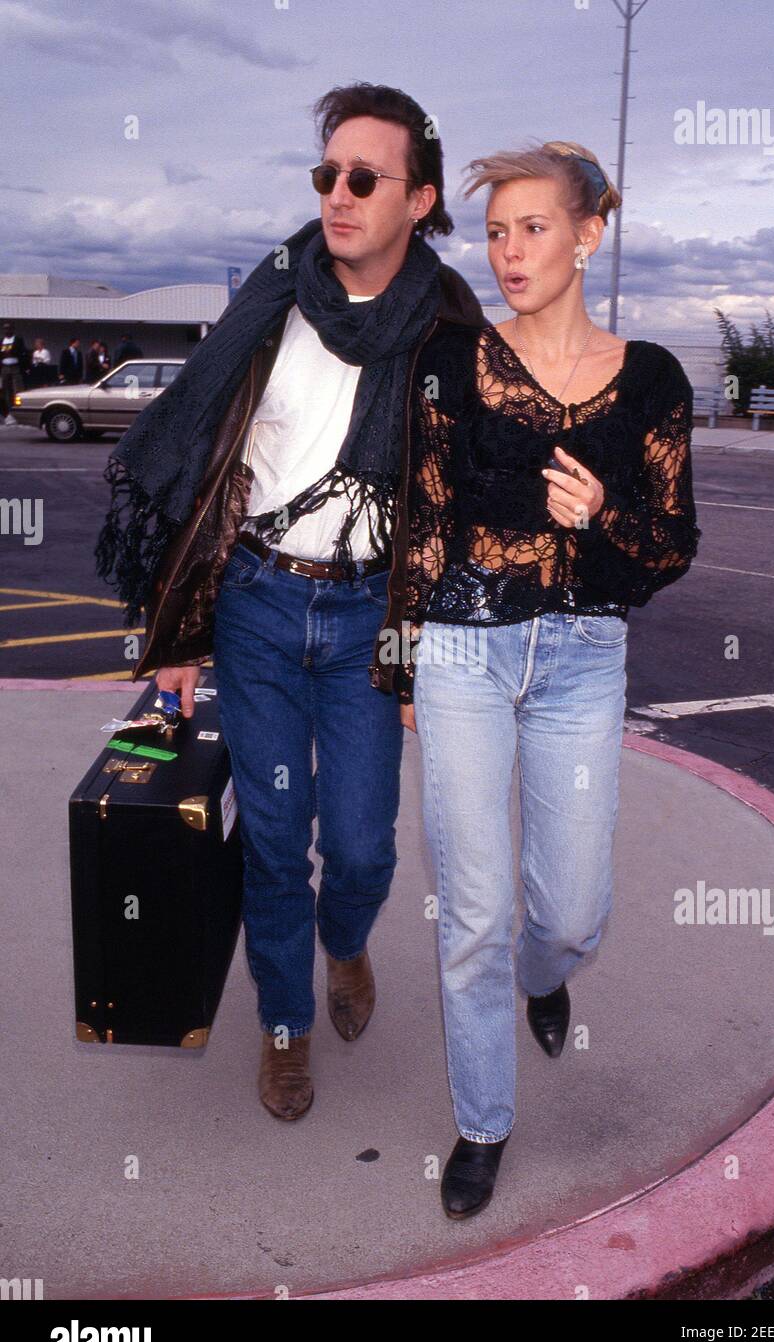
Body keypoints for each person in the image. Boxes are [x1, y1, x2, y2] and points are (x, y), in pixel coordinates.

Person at [94, 82, 484, 1122]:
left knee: (358, 844)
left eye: (365, 177)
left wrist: (415, 651)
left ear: (421, 199)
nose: (338, 194)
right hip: (259, 604)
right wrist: (174, 630)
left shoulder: (446, 325)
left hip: (368, 614)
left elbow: (454, 506)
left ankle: (346, 943)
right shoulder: (274, 296)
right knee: (274, 838)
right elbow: (203, 466)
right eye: (326, 174)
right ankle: (283, 1025)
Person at [388, 140, 702, 1218]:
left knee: (567, 911)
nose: (510, 252)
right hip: (466, 650)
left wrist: (598, 515)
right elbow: (422, 525)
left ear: (588, 232)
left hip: (582, 657)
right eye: (495, 231)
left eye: (533, 228)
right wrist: (407, 665)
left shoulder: (652, 379)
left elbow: (669, 548)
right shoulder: (448, 362)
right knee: (471, 909)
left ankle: (545, 974)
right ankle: (483, 1124)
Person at [1, 322, 29, 418]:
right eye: (5, 329)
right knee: (6, 389)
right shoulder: (2, 341)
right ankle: (8, 409)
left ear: (12, 330)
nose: (7, 331)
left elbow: (22, 352)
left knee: (17, 388)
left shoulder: (18, 340)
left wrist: (12, 352)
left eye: (9, 329)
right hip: (5, 367)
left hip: (15, 367)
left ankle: (19, 408)